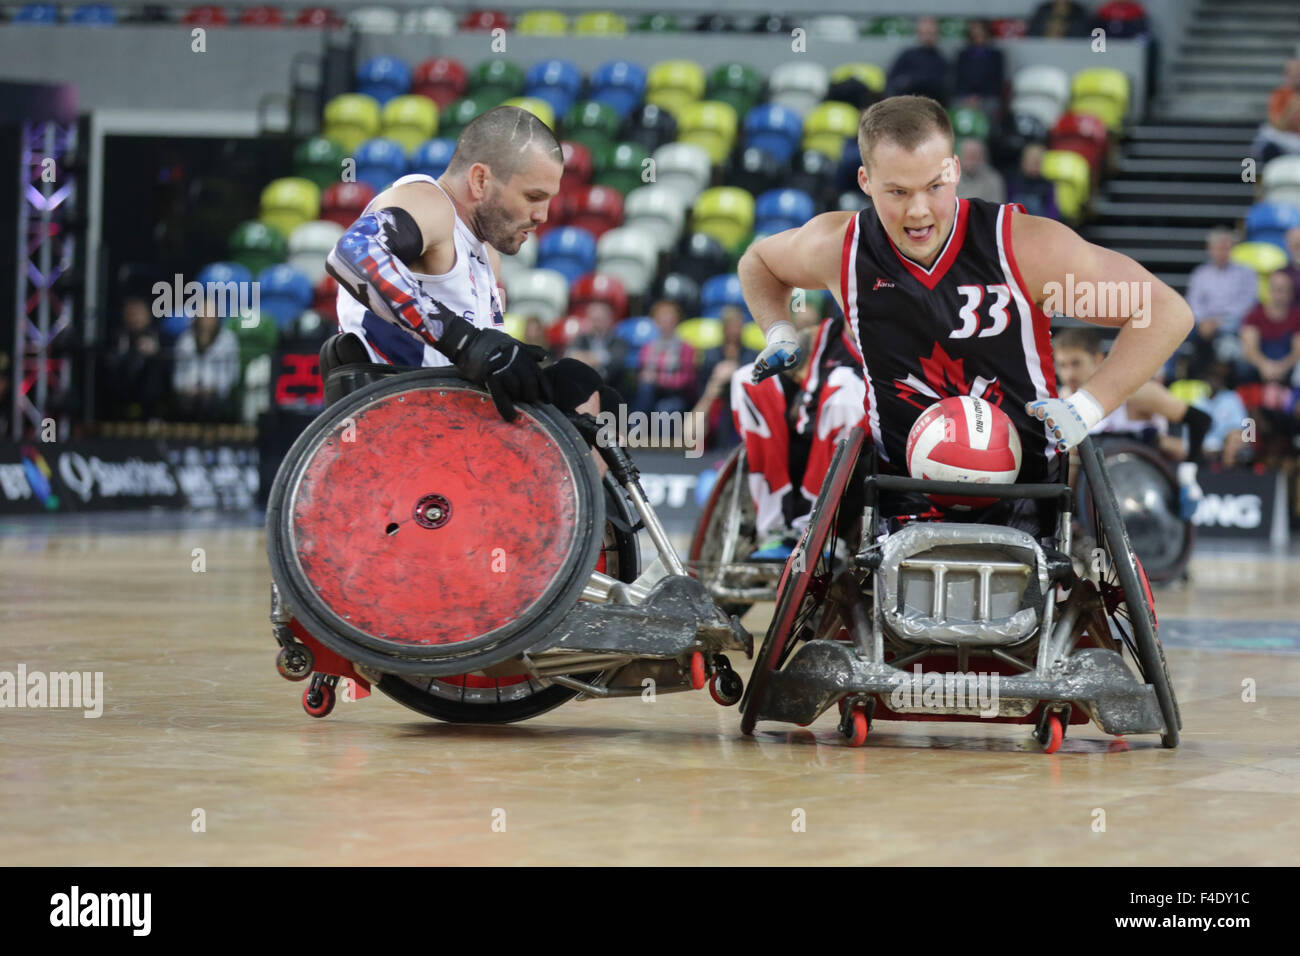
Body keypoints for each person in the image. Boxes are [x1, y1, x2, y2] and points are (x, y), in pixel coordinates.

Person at [738, 94, 1193, 540]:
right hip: (898, 486)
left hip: (1023, 480)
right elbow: (759, 263)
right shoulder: (840, 247)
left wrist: (1088, 405)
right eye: (897, 191)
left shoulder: (1023, 247)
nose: (918, 211)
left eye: (934, 187)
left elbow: (1163, 311)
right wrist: (780, 332)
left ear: (955, 170)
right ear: (865, 181)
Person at [326, 105, 615, 422]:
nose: (542, 216)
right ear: (480, 180)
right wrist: (466, 342)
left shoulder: (486, 255)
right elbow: (350, 253)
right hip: (390, 432)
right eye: (533, 197)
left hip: (447, 431)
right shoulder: (430, 203)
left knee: (582, 394)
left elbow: (471, 361)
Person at [730, 305, 865, 558]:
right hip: (802, 439)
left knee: (844, 385)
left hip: (860, 455)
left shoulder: (897, 342)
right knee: (749, 378)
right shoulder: (815, 339)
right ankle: (772, 529)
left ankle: (815, 531)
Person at [1055, 327, 1211, 517]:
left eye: (1076, 364)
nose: (1069, 374)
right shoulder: (1063, 398)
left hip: (1144, 493)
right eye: (1062, 365)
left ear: (1098, 360)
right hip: (1092, 496)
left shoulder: (1134, 392)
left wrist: (1189, 476)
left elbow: (1200, 420)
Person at [1182, 227, 1259, 378]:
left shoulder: (1246, 273)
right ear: (1210, 249)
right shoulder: (1200, 274)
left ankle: (1227, 382)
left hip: (1233, 323)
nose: (1222, 252)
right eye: (1218, 248)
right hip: (1202, 324)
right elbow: (1193, 302)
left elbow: (1248, 303)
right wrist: (1204, 321)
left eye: (1226, 248)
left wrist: (1218, 321)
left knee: (1230, 345)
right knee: (1177, 334)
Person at [691, 306, 758, 451]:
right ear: (723, 328)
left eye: (738, 325)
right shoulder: (711, 357)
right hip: (715, 407)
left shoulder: (752, 356)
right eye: (731, 325)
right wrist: (713, 388)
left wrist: (736, 373)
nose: (734, 330)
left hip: (745, 406)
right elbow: (688, 433)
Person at [103, 295, 167, 420]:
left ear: (148, 315)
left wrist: (155, 355)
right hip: (120, 400)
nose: (135, 318)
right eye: (131, 313)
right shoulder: (116, 340)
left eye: (139, 313)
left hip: (151, 402)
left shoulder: (161, 339)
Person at [172, 304, 240, 421]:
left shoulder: (228, 340)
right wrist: (186, 387)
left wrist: (213, 387)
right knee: (185, 404)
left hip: (217, 393)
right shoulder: (185, 340)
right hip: (189, 392)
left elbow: (232, 374)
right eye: (203, 315)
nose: (206, 319)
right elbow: (179, 372)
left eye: (210, 315)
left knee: (209, 403)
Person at [633, 299, 697, 416]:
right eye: (661, 319)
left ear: (677, 320)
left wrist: (659, 380)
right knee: (643, 394)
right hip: (651, 394)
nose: (665, 323)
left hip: (675, 395)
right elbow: (640, 374)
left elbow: (687, 381)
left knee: (665, 410)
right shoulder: (648, 347)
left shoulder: (686, 348)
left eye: (669, 319)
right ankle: (635, 432)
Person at [1240, 269, 1300, 384]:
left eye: (1282, 290)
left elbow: (1298, 351)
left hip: (1287, 365)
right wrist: (1265, 366)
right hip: (1260, 364)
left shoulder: (1297, 317)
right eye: (1275, 289)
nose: (1278, 295)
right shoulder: (1254, 315)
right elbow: (1250, 350)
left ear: (1290, 293)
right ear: (1269, 291)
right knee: (1242, 368)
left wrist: (1281, 367)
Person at [886, 16, 950, 103]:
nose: (927, 36)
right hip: (905, 104)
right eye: (924, 33)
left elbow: (943, 88)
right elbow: (893, 82)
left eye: (930, 33)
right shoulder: (907, 55)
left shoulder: (941, 60)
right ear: (918, 33)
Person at [1005, 143, 1060, 220]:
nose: (1035, 165)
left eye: (1038, 161)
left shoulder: (1048, 186)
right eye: (1032, 160)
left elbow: (1053, 215)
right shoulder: (1012, 183)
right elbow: (1004, 209)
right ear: (1023, 162)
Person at [954, 138, 1005, 204]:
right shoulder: (949, 178)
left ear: (983, 157)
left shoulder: (994, 180)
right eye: (968, 155)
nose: (971, 161)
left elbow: (997, 209)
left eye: (975, 156)